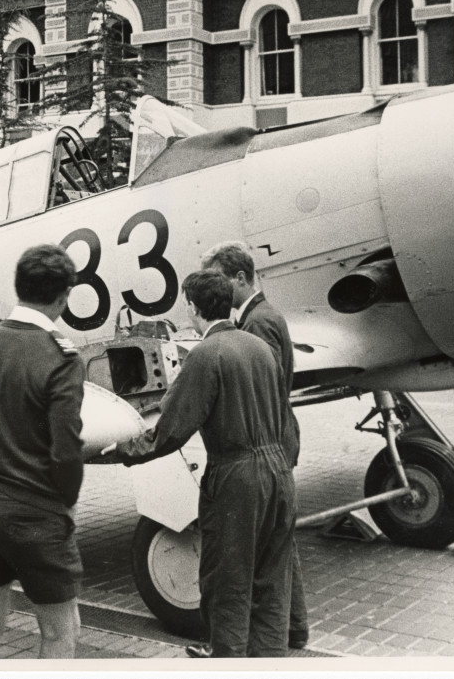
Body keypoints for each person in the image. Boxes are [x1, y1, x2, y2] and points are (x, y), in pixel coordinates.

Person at [117, 270, 296, 658]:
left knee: (227, 582)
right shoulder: (259, 347)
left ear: (193, 307)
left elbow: (170, 431)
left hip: (236, 478)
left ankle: (227, 659)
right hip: (279, 472)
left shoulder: (206, 354)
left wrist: (120, 449)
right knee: (271, 581)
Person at [0, 244, 85, 659]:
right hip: (32, 513)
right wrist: (66, 503)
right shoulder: (61, 358)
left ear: (19, 286)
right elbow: (66, 450)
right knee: (62, 632)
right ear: (64, 296)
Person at [203, 240, 309, 651]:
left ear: (240, 279)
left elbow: (258, 389)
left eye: (220, 281)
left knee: (261, 558)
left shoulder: (258, 324)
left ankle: (257, 647)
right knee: (280, 547)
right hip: (277, 442)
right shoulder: (265, 316)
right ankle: (294, 629)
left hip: (265, 442)